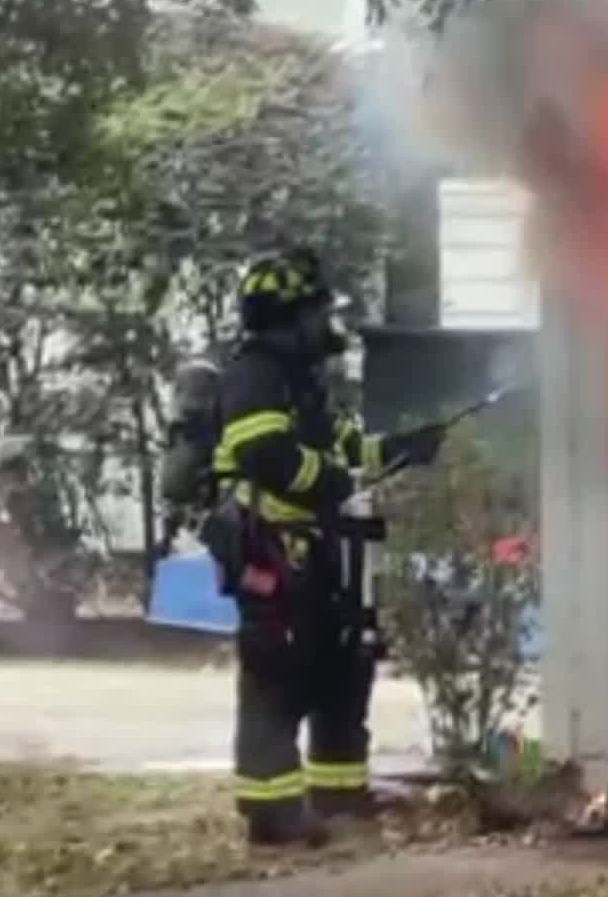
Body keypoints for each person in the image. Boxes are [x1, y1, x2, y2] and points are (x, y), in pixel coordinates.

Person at [214, 249, 444, 846]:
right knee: (277, 677)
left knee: (338, 672)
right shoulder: (254, 374)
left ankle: (339, 801)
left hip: (316, 553)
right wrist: (334, 482)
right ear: (289, 317)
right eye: (319, 311)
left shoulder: (301, 384)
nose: (329, 322)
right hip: (272, 552)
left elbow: (345, 446)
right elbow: (263, 454)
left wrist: (403, 447)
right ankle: (272, 816)